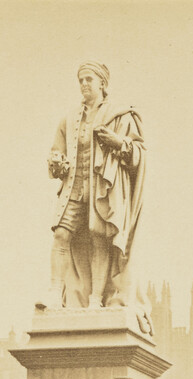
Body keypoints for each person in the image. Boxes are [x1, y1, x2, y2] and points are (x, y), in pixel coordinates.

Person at [39, 62, 151, 332]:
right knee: (61, 235)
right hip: (74, 188)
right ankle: (55, 294)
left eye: (89, 79)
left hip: (103, 187)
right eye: (80, 80)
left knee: (98, 235)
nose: (84, 84)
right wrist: (57, 164)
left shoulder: (121, 115)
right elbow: (56, 156)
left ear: (102, 83)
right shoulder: (68, 119)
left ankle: (95, 300)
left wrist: (118, 142)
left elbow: (139, 154)